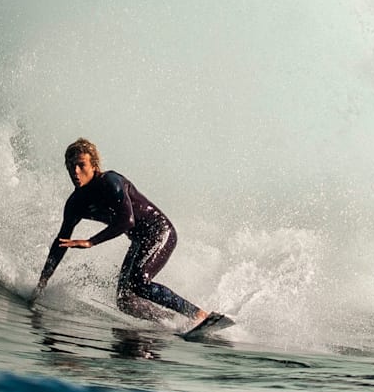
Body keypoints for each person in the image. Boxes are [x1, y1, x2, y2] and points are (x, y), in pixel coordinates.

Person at [30, 138, 231, 336]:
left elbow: (127, 221)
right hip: (139, 240)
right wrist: (43, 281)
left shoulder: (111, 182)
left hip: (159, 232)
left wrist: (91, 241)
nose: (75, 171)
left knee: (139, 280)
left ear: (94, 165)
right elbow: (61, 242)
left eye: (81, 165)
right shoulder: (75, 203)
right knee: (125, 300)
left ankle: (198, 314)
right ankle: (170, 322)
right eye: (70, 166)